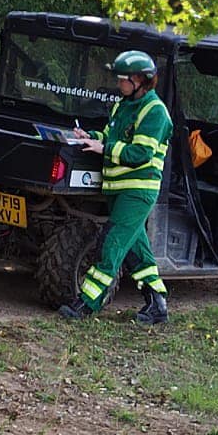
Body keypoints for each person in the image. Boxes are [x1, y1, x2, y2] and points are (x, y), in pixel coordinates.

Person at [59, 49, 171, 325]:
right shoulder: (122, 106)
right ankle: (157, 304)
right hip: (117, 190)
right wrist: (89, 137)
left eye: (123, 79)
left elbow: (141, 153)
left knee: (111, 243)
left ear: (139, 80)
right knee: (135, 250)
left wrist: (104, 148)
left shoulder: (155, 112)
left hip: (137, 192)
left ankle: (86, 304)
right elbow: (109, 136)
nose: (118, 83)